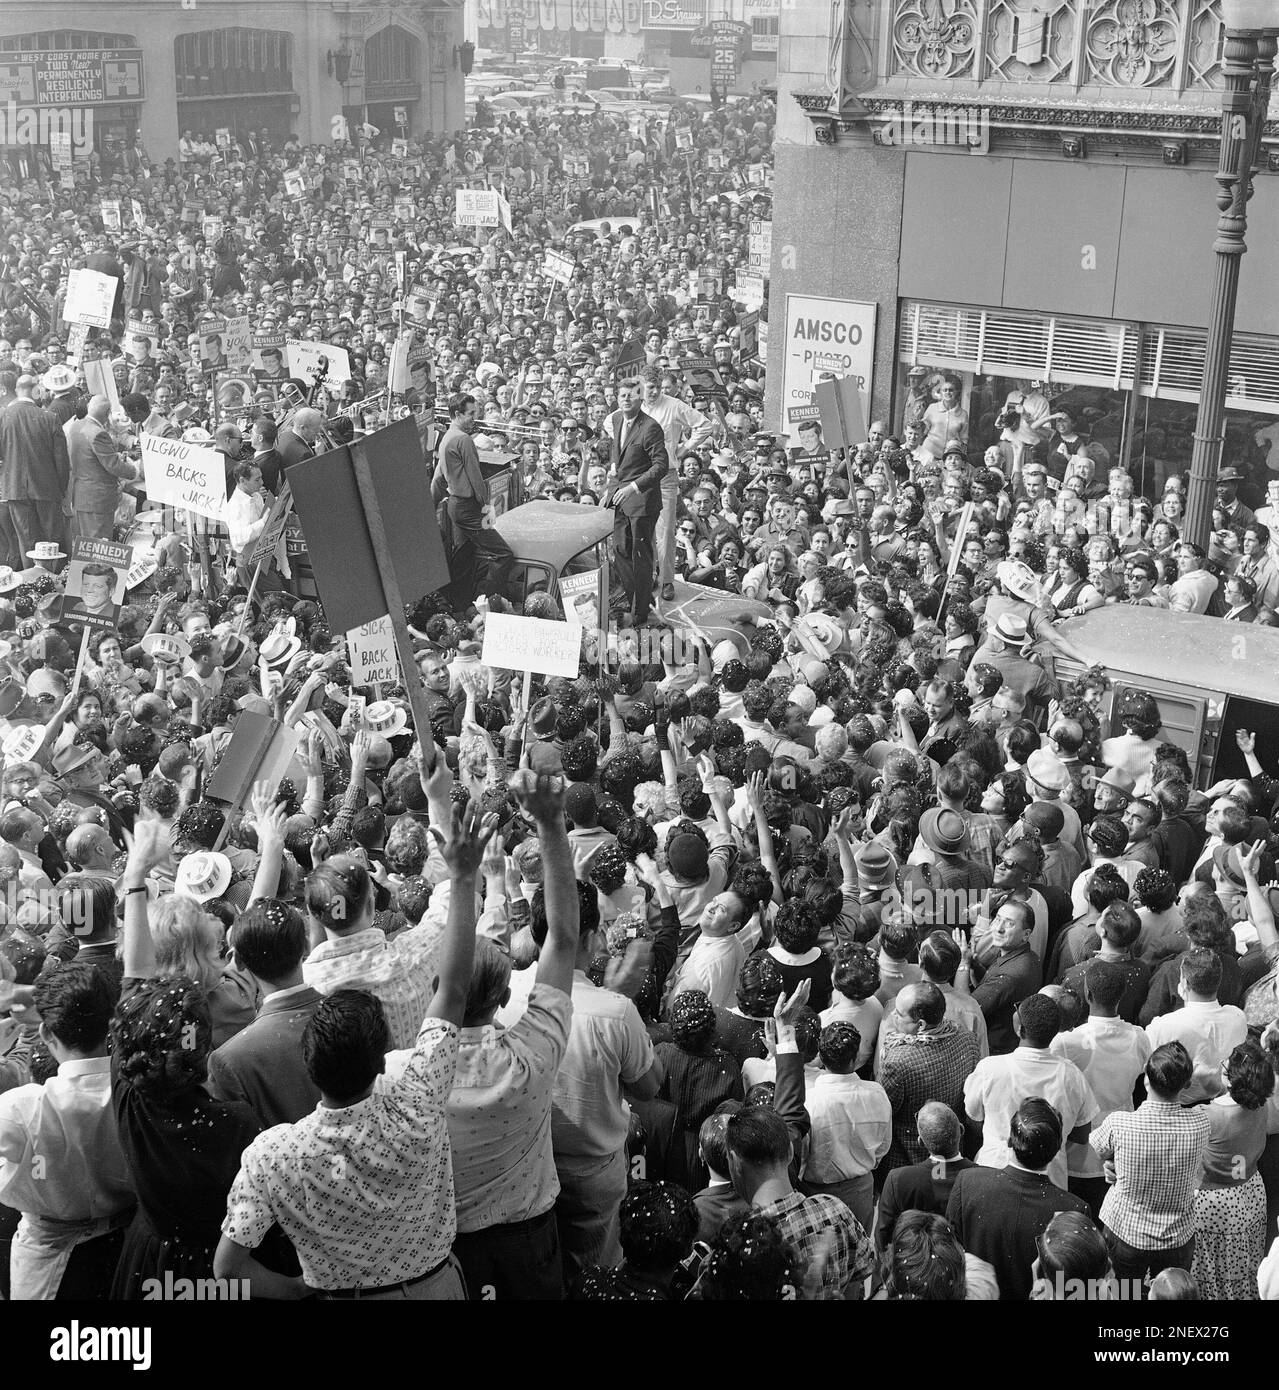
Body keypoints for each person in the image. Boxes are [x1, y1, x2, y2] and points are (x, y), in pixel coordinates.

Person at [215, 797, 495, 1299]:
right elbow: (453, 987)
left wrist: (297, 1290)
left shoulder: (276, 1153)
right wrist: (465, 872)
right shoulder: (420, 1098)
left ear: (309, 1065)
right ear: (383, 1057)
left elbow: (227, 1269)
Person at [447, 771, 577, 1301]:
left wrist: (467, 877)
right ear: (505, 999)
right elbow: (564, 939)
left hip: (450, 1249)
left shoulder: (406, 1074)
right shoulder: (533, 1053)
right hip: (529, 1239)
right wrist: (550, 822)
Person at [0, 964, 134, 1299]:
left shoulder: (22, 1108)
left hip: (47, 1266)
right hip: (130, 1248)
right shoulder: (139, 1092)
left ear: (45, 1034)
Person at [1089, 1041, 1211, 1288]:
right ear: (1186, 1084)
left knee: (1124, 1293)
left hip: (1126, 1232)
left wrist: (1112, 1163)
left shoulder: (1120, 1124)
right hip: (1177, 1236)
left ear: (1146, 1080)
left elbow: (1096, 1148)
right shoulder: (1201, 1122)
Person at [945, 1097, 1091, 1302]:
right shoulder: (1073, 1210)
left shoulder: (968, 1183)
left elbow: (950, 1249)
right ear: (1058, 1149)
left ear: (1010, 1141)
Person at [724, 1104, 875, 1300]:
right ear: (789, 1152)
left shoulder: (737, 1245)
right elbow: (866, 1267)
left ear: (735, 1162)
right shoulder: (834, 1210)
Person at [963, 993, 1097, 1192]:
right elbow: (1081, 1134)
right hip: (1050, 1179)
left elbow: (973, 1120)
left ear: (1020, 1029)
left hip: (994, 1169)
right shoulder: (1072, 1076)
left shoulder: (990, 1069)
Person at [1191, 1039, 1274, 1300]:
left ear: (1229, 1080)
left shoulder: (1207, 1115)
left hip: (1214, 1201)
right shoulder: (1261, 1105)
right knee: (1244, 1257)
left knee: (1212, 1264)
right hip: (1249, 1192)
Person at [877, 981, 980, 1172]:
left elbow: (883, 1111)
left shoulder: (898, 1061)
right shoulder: (967, 1038)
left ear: (921, 1024)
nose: (893, 1016)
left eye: (899, 1014)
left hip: (908, 1159)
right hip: (951, 1153)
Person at [438, 392, 515, 602]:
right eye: (471, 414)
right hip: (467, 507)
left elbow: (438, 478)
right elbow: (476, 478)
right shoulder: (463, 440)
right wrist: (486, 506)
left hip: (456, 506)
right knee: (503, 554)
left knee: (463, 559)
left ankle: (459, 605)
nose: (474, 418)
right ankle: (491, 602)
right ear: (456, 414)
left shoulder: (446, 438)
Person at [605, 374, 668, 625]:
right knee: (620, 550)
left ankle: (641, 612)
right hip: (618, 497)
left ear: (641, 397)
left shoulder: (651, 427)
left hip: (641, 502)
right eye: (622, 395)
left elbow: (661, 466)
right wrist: (613, 466)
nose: (627, 399)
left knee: (640, 558)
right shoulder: (617, 418)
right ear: (617, 398)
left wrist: (633, 487)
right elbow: (618, 450)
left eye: (632, 395)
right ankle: (633, 599)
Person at [874, 1102, 974, 1252]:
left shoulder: (900, 1180)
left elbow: (883, 1238)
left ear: (921, 1142)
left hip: (914, 1269)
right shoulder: (982, 1178)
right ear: (961, 1129)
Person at [0, 373, 69, 563]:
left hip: (14, 489)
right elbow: (62, 461)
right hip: (47, 488)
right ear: (36, 390)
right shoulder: (49, 417)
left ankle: (32, 584)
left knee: (27, 540)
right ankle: (55, 583)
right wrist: (62, 489)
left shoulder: (3, 417)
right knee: (53, 540)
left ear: (16, 390)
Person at [66, 395, 139, 541]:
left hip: (81, 495)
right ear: (107, 414)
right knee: (99, 544)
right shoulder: (98, 433)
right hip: (98, 499)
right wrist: (134, 470)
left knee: (85, 544)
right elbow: (113, 465)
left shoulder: (75, 426)